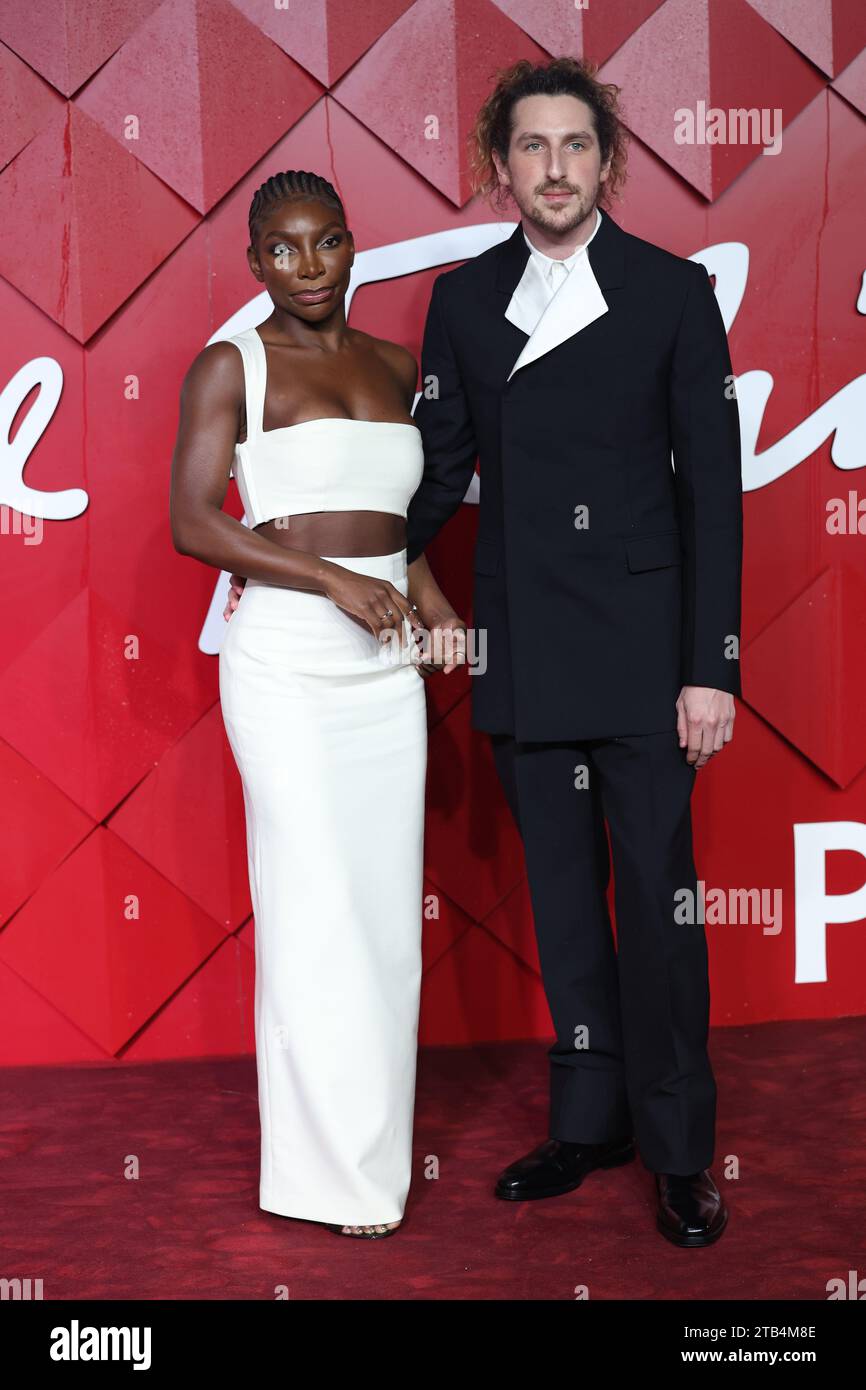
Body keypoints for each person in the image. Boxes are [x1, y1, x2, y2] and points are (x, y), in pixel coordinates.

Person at [402, 57, 743, 1248]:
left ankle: (679, 1150)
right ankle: (585, 1119)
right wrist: (362, 557)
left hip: (649, 662)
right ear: (501, 165)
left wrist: (712, 666)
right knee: (563, 910)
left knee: (656, 909)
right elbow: (437, 472)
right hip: (526, 649)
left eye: (575, 146)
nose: (553, 168)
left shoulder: (670, 292)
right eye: (530, 147)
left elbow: (712, 493)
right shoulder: (461, 299)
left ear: (609, 161)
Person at [170, 169, 463, 1239]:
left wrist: (429, 605)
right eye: (281, 249)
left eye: (324, 243)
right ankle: (315, 1174)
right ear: (254, 260)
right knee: (314, 907)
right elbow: (195, 524)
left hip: (384, 666)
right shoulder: (230, 367)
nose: (304, 266)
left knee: (382, 918)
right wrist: (333, 582)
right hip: (288, 662)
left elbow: (398, 526)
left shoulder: (395, 366)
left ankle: (371, 1168)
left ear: (350, 246)